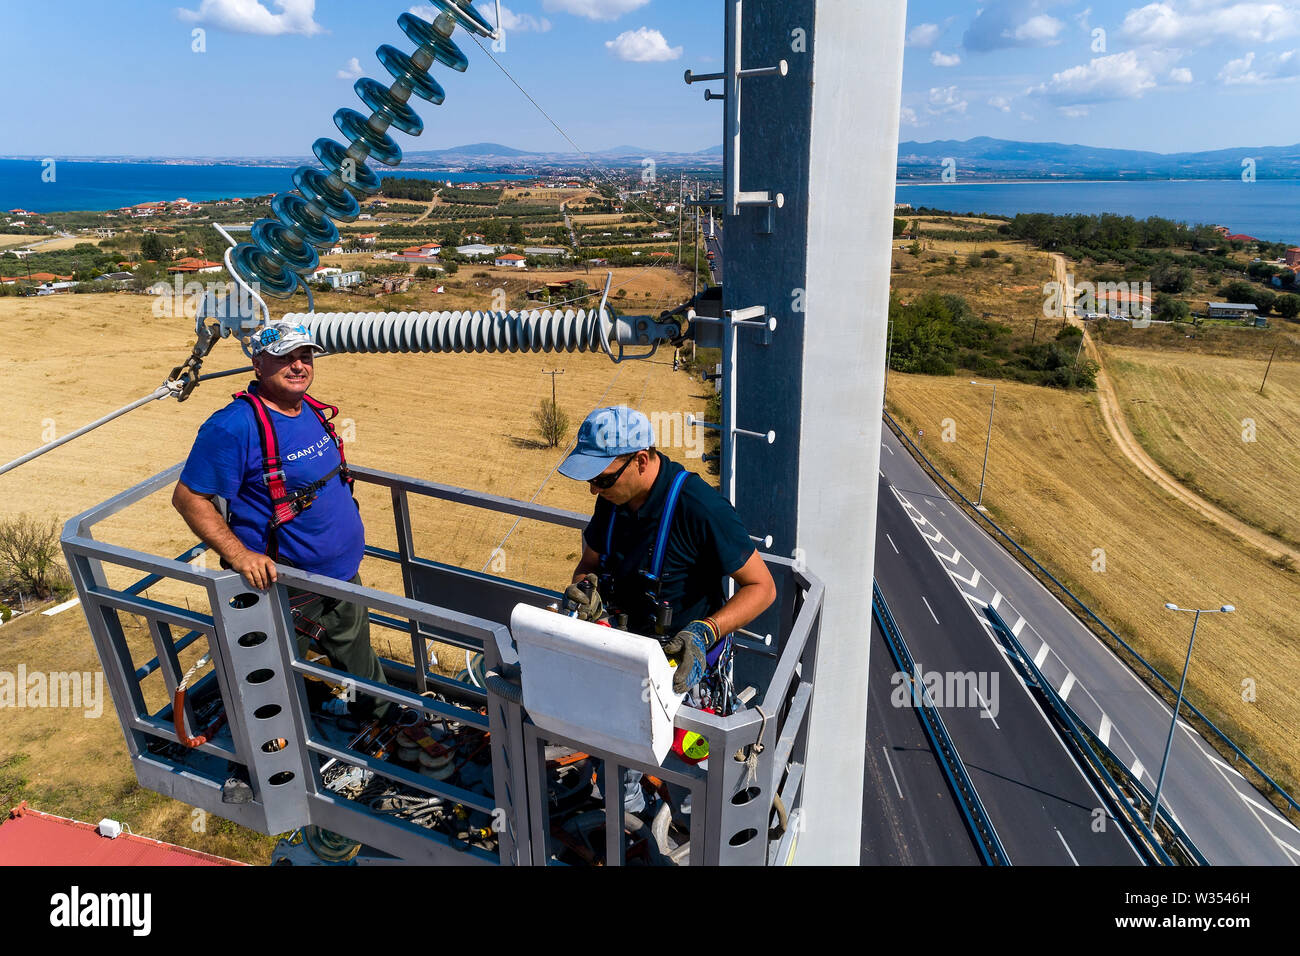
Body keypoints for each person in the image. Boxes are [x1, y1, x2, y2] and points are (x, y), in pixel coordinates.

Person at [172, 320, 389, 720]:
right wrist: (240, 557)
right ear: (258, 364)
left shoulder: (306, 408)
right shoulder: (233, 426)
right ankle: (267, 762)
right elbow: (188, 498)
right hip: (285, 590)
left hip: (342, 577)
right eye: (284, 358)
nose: (298, 366)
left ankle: (387, 725)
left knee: (363, 672)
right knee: (271, 684)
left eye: (304, 357)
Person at [557, 405, 776, 706]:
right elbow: (589, 564)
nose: (594, 490)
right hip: (622, 661)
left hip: (685, 677)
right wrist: (584, 589)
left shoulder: (701, 508)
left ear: (641, 461)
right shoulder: (613, 499)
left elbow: (762, 587)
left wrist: (705, 632)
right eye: (590, 480)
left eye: (603, 479)